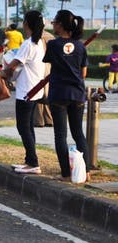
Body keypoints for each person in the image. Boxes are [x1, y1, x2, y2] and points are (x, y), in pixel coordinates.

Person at [44, 10, 88, 179]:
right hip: (77, 93)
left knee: (60, 134)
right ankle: (86, 171)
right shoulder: (80, 46)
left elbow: (49, 61)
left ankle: (65, 172)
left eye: (54, 22)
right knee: (78, 132)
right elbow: (83, 73)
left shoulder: (54, 45)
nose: (53, 25)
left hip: (59, 93)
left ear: (60, 24)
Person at [2, 11, 46, 175]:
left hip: (26, 91)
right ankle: (30, 160)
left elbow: (13, 65)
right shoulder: (39, 42)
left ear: (27, 23)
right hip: (35, 90)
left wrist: (1, 73)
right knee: (28, 126)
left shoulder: (28, 44)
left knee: (23, 127)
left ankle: (33, 162)